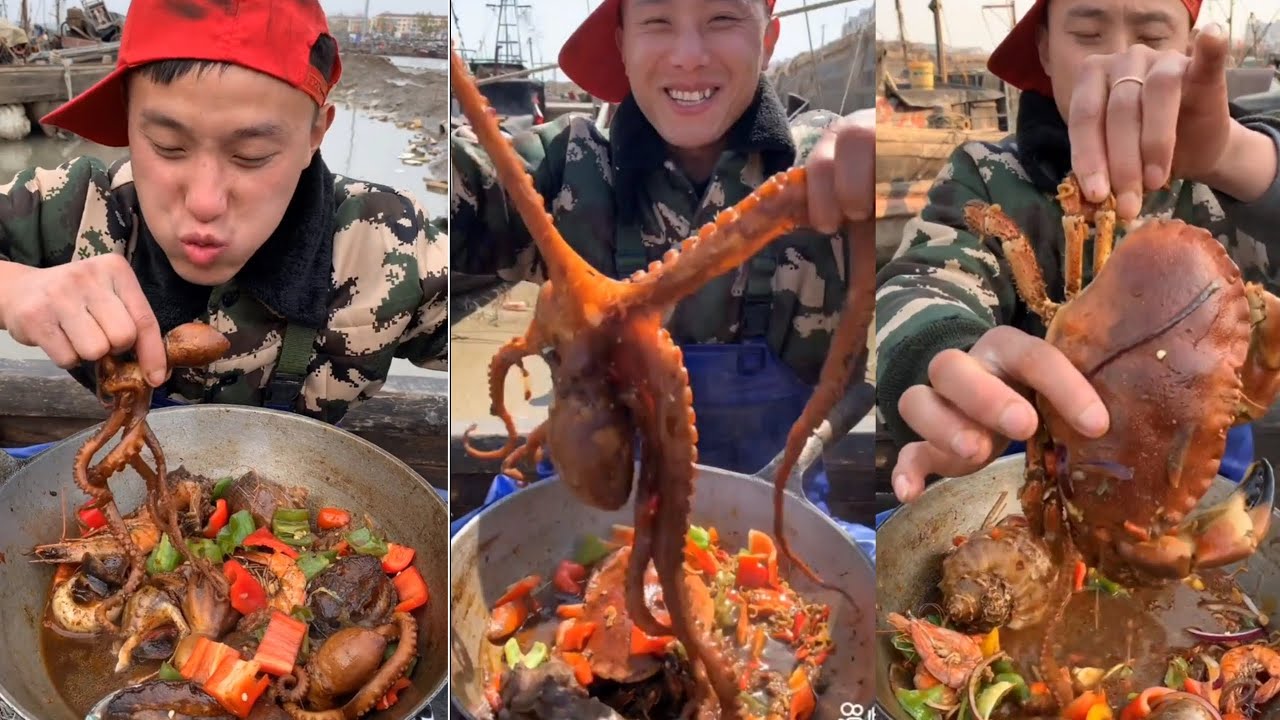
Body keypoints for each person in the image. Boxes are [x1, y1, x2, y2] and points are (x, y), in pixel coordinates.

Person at [450, 0, 875, 514]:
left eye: (722, 17)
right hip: (577, 507)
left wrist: (880, 149)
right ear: (621, 45)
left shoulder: (827, 177)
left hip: (778, 505)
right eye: (657, 21)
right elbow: (459, 195)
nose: (689, 56)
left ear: (767, 41)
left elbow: (932, 278)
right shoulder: (565, 167)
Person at [876, 0, 1280, 503]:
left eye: (1151, 36)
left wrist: (1237, 159)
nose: (1119, 59)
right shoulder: (985, 177)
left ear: (1190, 51)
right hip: (1037, 470)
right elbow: (923, 280)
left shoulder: (1225, 187)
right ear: (1044, 49)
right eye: (1088, 33)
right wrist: (945, 358)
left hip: (1207, 476)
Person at [0, 0, 448, 449]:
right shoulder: (75, 206)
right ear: (128, 120)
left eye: (251, 156)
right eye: (168, 146)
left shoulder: (391, 241)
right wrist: (14, 289)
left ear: (316, 134)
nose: (205, 202)